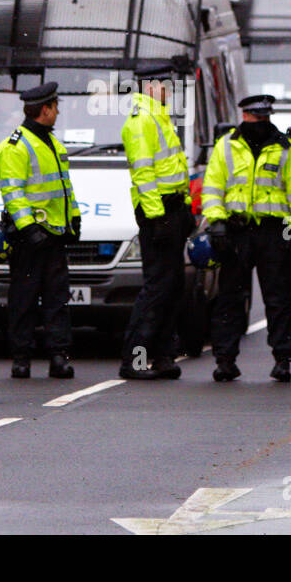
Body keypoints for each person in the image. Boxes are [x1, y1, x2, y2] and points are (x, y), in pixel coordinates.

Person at [202, 94, 291, 383]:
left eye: (265, 117)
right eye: (255, 117)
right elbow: (212, 188)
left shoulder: (287, 148)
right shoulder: (226, 145)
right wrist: (216, 222)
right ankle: (225, 360)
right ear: (245, 116)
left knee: (278, 298)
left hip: (272, 232)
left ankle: (283, 360)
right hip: (236, 231)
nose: (260, 122)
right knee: (229, 298)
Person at [0, 82, 78, 379]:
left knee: (58, 300)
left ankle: (58, 357)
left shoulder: (53, 143)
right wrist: (30, 229)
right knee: (24, 300)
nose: (57, 112)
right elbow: (12, 193)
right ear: (45, 110)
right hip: (29, 240)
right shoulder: (15, 146)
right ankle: (21, 358)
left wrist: (75, 218)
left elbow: (64, 188)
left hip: (53, 236)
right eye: (55, 107)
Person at [118, 64, 193, 380]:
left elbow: (175, 169)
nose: (170, 91)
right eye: (166, 86)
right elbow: (144, 176)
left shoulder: (158, 116)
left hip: (171, 211)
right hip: (158, 214)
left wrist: (186, 206)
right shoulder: (141, 121)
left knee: (172, 287)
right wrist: (158, 217)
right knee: (156, 289)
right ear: (151, 87)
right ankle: (134, 360)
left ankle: (162, 355)